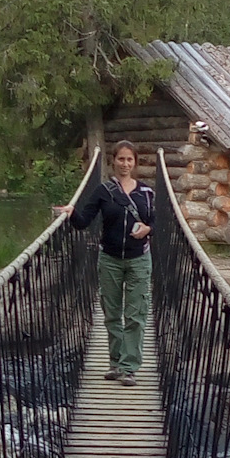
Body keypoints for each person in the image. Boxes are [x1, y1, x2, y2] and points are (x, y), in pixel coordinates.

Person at [55, 141, 153, 384]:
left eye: (129, 159)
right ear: (113, 161)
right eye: (121, 159)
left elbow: (155, 222)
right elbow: (83, 222)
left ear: (135, 163)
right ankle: (116, 363)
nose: (125, 164)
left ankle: (129, 367)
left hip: (139, 259)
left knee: (136, 314)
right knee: (112, 313)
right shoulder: (103, 191)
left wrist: (147, 229)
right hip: (110, 259)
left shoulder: (146, 193)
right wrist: (71, 212)